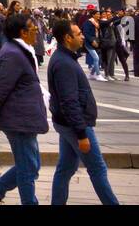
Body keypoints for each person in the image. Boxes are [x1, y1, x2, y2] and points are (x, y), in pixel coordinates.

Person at [0, 12, 48, 205]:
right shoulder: (13, 54)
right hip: (18, 119)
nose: (37, 33)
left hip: (23, 117)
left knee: (31, 165)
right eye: (34, 30)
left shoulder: (18, 51)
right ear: (23, 33)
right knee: (28, 168)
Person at [46, 19, 118, 205]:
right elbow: (69, 101)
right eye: (78, 34)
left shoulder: (65, 58)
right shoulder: (64, 64)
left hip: (66, 122)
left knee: (66, 168)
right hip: (75, 125)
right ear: (67, 38)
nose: (82, 36)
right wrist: (81, 133)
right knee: (97, 169)